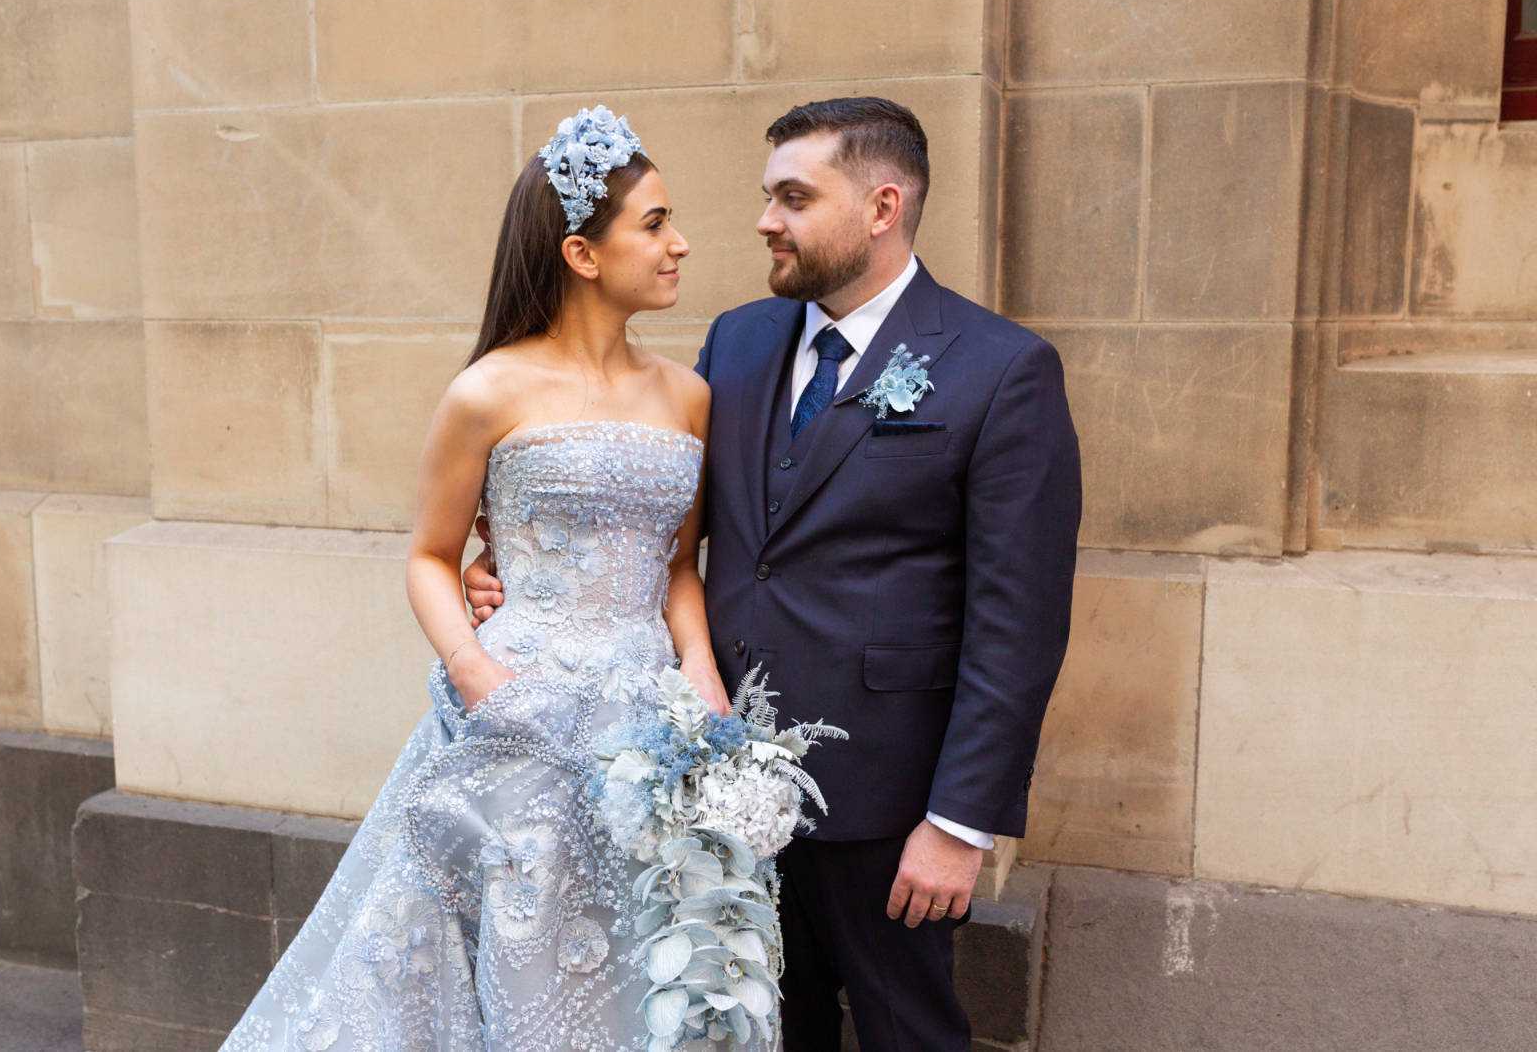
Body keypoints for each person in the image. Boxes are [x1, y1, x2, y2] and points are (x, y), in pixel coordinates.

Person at [464, 97, 1082, 1050]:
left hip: (888, 806)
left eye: (794, 198)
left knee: (907, 1031)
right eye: (767, 196)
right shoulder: (740, 342)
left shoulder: (1002, 370)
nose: (765, 221)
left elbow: (1020, 623)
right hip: (713, 792)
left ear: (881, 208)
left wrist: (960, 822)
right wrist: (505, 569)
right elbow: (664, 538)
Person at [221, 106, 757, 1051]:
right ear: (583, 255)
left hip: (647, 718)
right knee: (512, 954)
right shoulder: (486, 392)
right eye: (656, 223)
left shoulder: (690, 394)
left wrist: (703, 682)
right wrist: (477, 675)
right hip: (518, 715)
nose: (681, 244)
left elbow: (679, 566)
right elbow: (429, 555)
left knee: (643, 959)